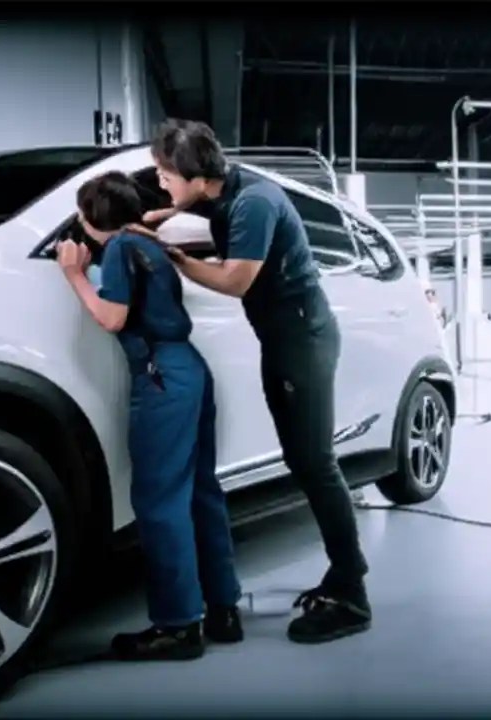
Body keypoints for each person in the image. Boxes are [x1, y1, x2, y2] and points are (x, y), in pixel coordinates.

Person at [142, 119, 372, 645]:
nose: (159, 182)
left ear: (196, 175)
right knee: (302, 460)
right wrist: (162, 214)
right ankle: (344, 573)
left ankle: (352, 594)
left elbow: (235, 279)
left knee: (315, 463)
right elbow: (201, 208)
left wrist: (176, 259)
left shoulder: (254, 203)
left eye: (165, 175)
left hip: (300, 340)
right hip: (283, 337)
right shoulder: (224, 191)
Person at [56, 170, 243, 661]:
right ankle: (223, 608)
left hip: (160, 376)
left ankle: (178, 626)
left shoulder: (120, 248)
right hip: (189, 368)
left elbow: (112, 317)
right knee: (201, 491)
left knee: (161, 500)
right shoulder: (148, 244)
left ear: (89, 217)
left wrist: (74, 274)